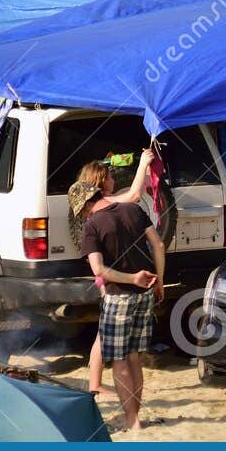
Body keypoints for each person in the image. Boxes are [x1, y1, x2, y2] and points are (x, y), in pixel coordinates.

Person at [76, 158, 163, 430]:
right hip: (146, 294)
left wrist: (131, 279)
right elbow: (158, 244)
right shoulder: (132, 209)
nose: (82, 216)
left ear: (86, 203)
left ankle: (132, 421)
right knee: (134, 357)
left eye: (81, 211)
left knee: (119, 360)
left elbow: (99, 269)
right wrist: (158, 280)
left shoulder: (93, 225)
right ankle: (135, 416)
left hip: (119, 296)